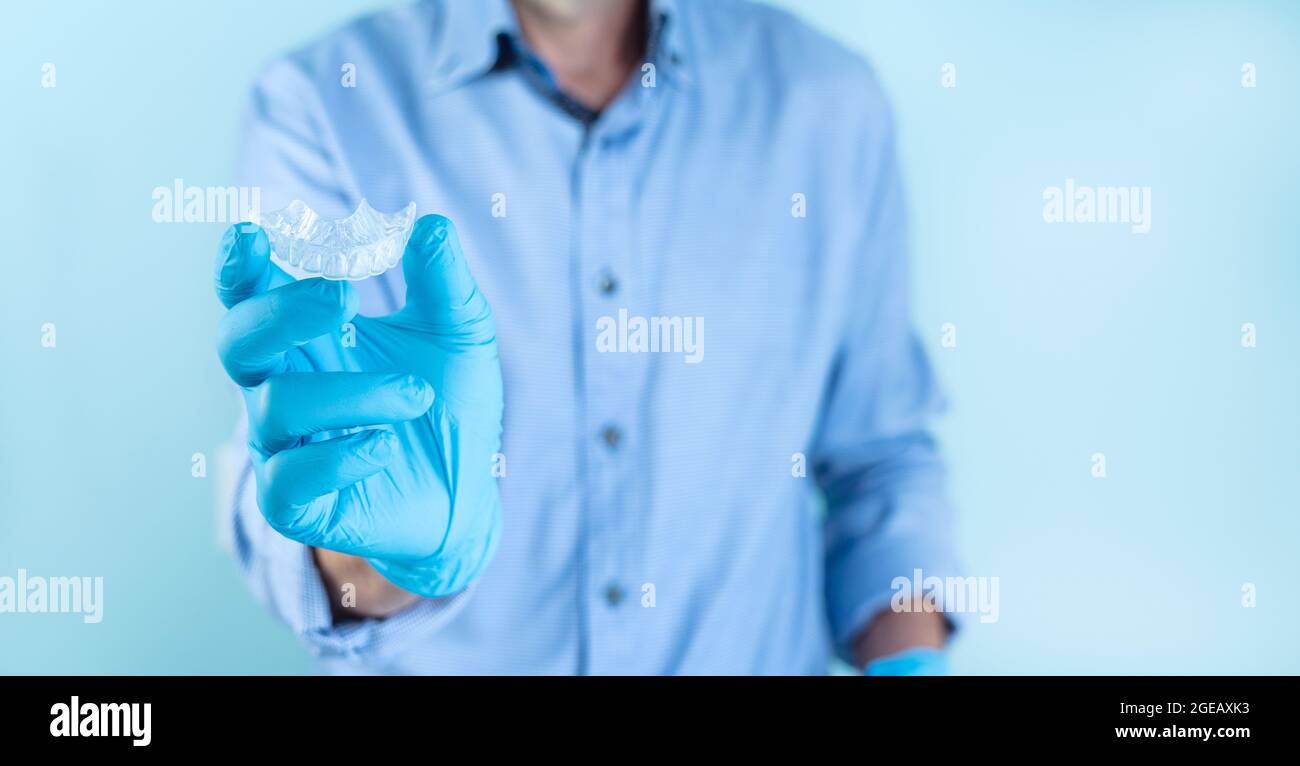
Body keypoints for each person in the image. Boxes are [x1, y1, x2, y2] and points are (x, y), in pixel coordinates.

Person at [214, 0, 959, 675]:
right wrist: (388, 566)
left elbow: (880, 460)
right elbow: (312, 478)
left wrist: (908, 663)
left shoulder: (829, 105)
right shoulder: (322, 103)